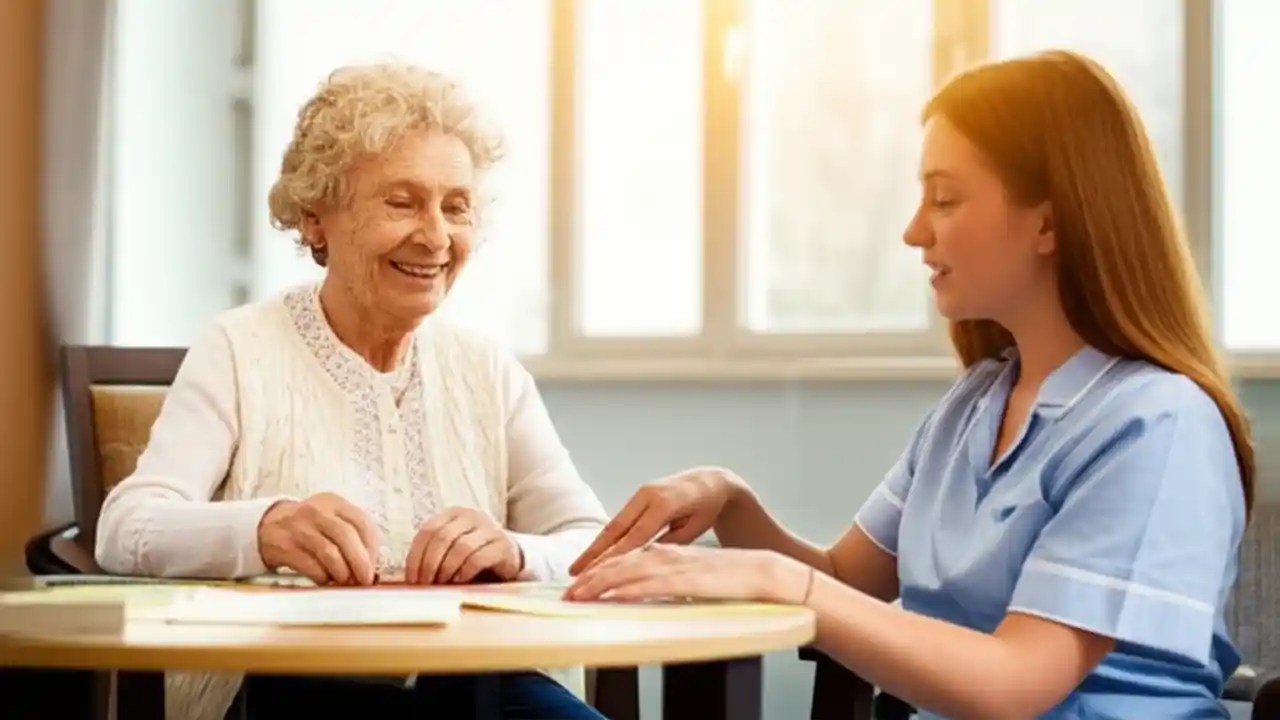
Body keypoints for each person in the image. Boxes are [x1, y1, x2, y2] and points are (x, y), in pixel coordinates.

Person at [568, 50, 1254, 720]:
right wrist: (731, 502)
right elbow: (843, 581)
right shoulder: (974, 406)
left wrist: (780, 581)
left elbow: (1013, 687)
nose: (913, 231)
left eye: (945, 198)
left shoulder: (1159, 425)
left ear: (1048, 220)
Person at [95, 63, 608, 720]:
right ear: (314, 218)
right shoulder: (239, 348)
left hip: (476, 682)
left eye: (456, 207)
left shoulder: (486, 369)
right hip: (287, 687)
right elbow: (126, 526)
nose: (435, 236)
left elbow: (590, 541)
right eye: (402, 201)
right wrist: (264, 527)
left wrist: (514, 551)